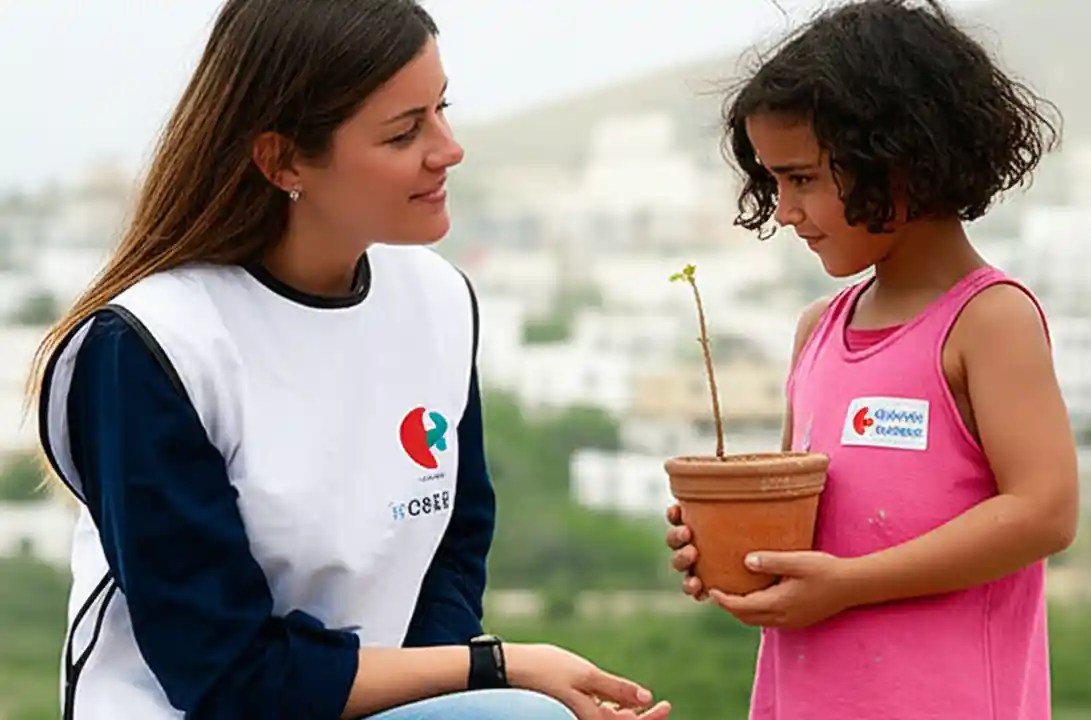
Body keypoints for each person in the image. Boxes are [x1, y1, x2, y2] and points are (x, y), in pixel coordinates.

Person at [28, 1, 672, 719]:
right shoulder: (153, 346)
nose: (449, 148)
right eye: (405, 132)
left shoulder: (438, 302)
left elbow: (452, 555)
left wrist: (437, 697)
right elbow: (227, 678)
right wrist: (496, 668)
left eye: (442, 109)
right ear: (283, 160)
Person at [665, 1, 1076, 718]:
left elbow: (1045, 512)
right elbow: (816, 527)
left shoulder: (989, 320)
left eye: (802, 180)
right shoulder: (817, 330)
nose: (785, 211)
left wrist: (849, 582)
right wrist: (738, 550)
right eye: (775, 183)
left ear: (900, 160)